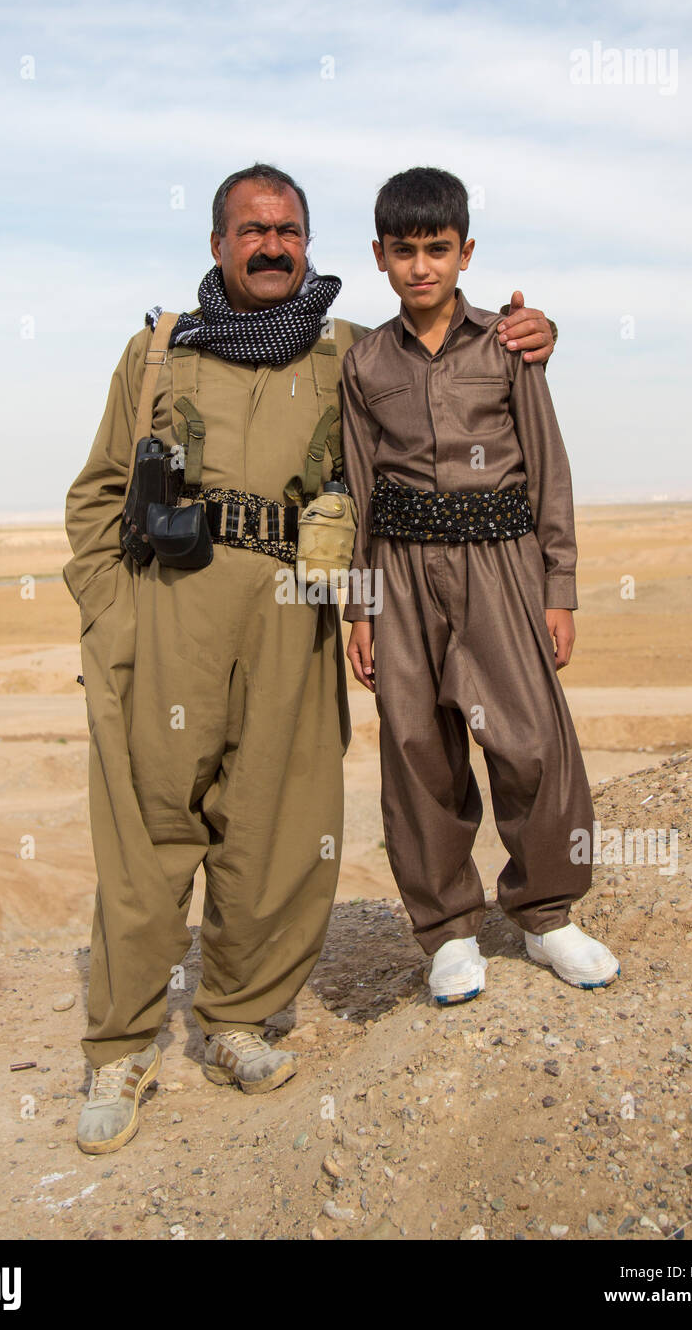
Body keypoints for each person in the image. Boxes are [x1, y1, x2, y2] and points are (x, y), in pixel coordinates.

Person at [63, 162, 560, 1155]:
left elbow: (437, 365)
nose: (272, 245)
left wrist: (526, 334)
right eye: (251, 230)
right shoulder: (158, 352)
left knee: (281, 825)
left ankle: (239, 1020)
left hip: (297, 608)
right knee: (150, 828)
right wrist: (111, 617)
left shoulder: (346, 351)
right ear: (217, 246)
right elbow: (97, 493)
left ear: (312, 243)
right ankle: (120, 1044)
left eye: (288, 229)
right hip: (170, 605)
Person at [341, 166, 619, 1008]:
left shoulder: (507, 344)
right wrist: (359, 605)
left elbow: (548, 469)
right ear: (380, 257)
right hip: (398, 570)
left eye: (436, 249)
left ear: (465, 253)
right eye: (403, 251)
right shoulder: (362, 363)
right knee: (418, 750)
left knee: (531, 742)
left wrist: (557, 586)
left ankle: (545, 913)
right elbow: (355, 488)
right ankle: (448, 933)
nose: (420, 266)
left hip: (499, 564)